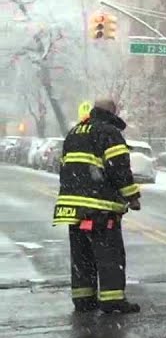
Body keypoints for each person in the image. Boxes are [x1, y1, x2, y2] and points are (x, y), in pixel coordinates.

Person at [51, 99, 142, 314]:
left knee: (82, 255)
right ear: (112, 111)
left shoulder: (74, 132)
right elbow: (119, 169)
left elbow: (64, 167)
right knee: (109, 255)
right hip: (99, 207)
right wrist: (132, 197)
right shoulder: (109, 133)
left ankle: (83, 299)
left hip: (73, 207)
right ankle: (113, 301)